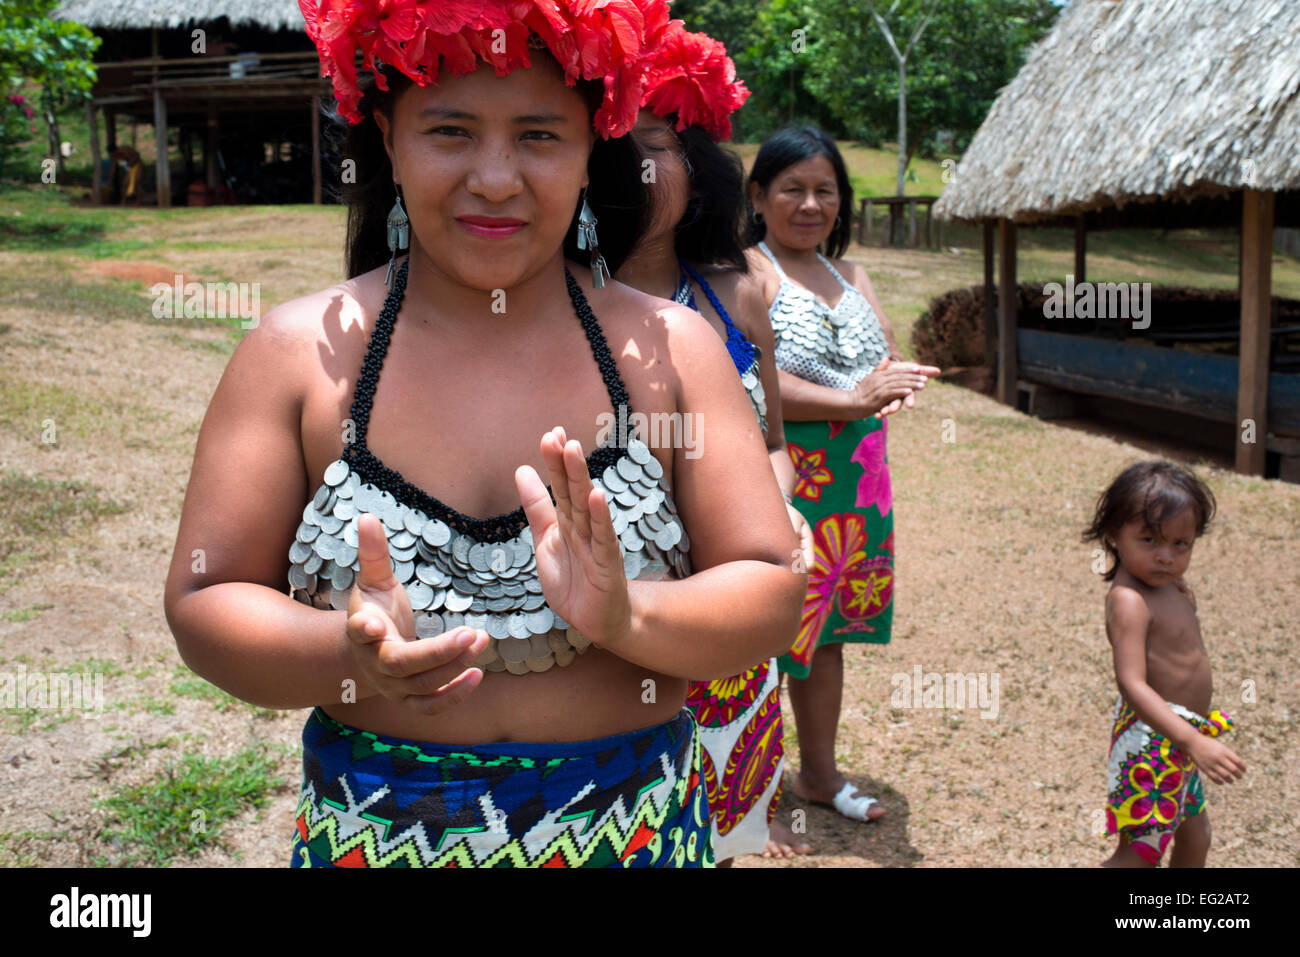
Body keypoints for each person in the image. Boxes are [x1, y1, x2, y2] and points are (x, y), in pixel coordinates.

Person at [162, 0, 805, 869]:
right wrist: (342, 651)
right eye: (451, 131)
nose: (496, 178)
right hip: (373, 837)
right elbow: (205, 599)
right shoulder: (292, 356)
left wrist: (630, 612)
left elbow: (767, 589)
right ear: (388, 136)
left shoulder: (671, 353)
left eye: (540, 136)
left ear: (591, 146)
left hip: (637, 833)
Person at [615, 26, 813, 862]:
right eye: (612, 146)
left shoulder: (736, 296)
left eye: (654, 146)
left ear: (698, 167)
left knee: (723, 827)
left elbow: (774, 440)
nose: (629, 167)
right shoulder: (546, 302)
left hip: (726, 608)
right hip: (615, 620)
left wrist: (780, 509)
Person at [745, 125, 940, 823]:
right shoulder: (748, 272)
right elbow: (754, 381)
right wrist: (855, 397)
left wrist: (895, 382)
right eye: (792, 188)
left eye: (824, 189)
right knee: (763, 633)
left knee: (827, 633)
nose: (809, 203)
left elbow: (882, 356)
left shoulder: (850, 274)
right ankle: (753, 796)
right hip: (784, 471)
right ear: (759, 195)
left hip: (860, 480)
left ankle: (817, 777)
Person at [1084, 461, 1246, 867]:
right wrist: (1192, 741)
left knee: (1196, 838)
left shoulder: (1171, 586)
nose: (1166, 557)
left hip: (1179, 738)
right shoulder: (1128, 600)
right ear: (1113, 536)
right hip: (1153, 741)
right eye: (1149, 540)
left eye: (1181, 544)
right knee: (1138, 855)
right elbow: (1132, 683)